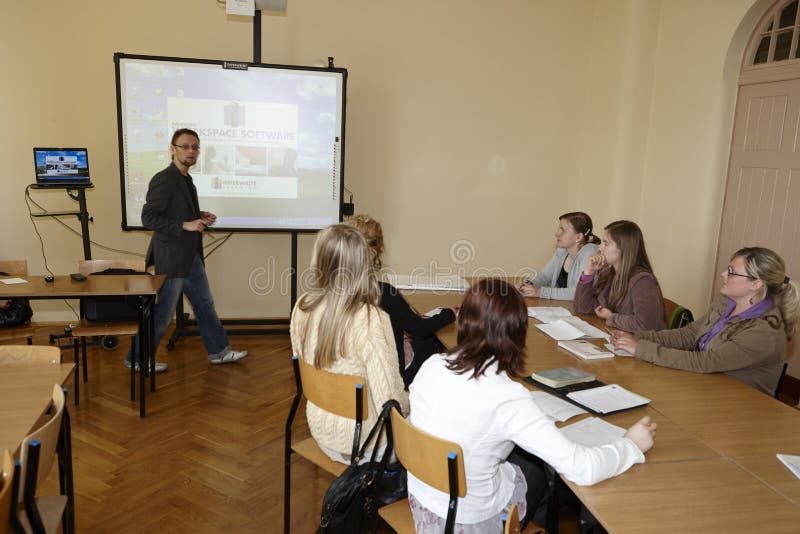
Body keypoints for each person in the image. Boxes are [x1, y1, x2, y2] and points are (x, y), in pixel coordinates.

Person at [408, 278, 657, 533]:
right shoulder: (507, 399)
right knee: (541, 467)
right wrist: (630, 445)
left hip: (425, 501)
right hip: (471, 520)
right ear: (517, 332)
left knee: (521, 457)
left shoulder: (432, 366)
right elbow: (582, 469)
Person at [125, 128, 248, 372]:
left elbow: (176, 212)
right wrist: (185, 224)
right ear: (173, 149)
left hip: (189, 256)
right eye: (185, 146)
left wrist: (199, 216)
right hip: (172, 258)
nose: (191, 151)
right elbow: (149, 217)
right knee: (164, 311)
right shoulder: (165, 179)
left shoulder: (185, 179)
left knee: (204, 304)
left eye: (195, 147)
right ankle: (137, 358)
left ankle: (219, 352)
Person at [290, 223, 409, 463]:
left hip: (321, 432)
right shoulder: (371, 319)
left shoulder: (302, 307)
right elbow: (392, 403)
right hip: (366, 445)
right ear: (364, 263)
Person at [611, 246, 800, 396]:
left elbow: (706, 362)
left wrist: (640, 348)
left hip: (741, 406)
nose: (723, 275)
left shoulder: (765, 331)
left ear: (756, 284)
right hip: (705, 386)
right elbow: (688, 335)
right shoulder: (726, 301)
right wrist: (635, 336)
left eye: (732, 272)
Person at [346, 214, 456, 386]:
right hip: (391, 379)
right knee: (433, 341)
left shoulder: (334, 294)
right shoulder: (384, 293)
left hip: (353, 376)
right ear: (378, 249)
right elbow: (419, 329)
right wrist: (447, 315)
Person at [574, 219, 664, 331]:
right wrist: (589, 272)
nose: (600, 247)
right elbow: (582, 307)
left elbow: (645, 325)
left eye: (606, 244)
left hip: (639, 345)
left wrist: (611, 317)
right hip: (617, 338)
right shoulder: (609, 273)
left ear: (624, 248)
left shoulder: (643, 281)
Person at [518, 211, 600, 300]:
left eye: (563, 230)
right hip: (561, 309)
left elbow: (578, 292)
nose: (557, 234)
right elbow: (544, 277)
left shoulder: (590, 253)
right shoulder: (562, 251)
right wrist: (527, 285)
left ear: (578, 237)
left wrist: (540, 292)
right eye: (559, 229)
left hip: (584, 312)